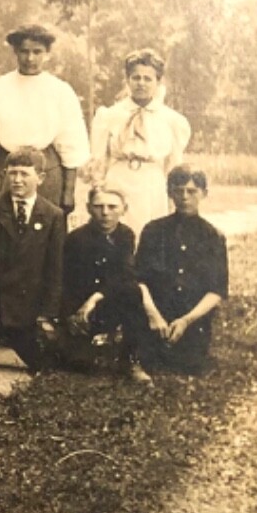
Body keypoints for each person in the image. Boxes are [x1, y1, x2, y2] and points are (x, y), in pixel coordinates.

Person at [0, 146, 67, 372]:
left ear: (41, 177)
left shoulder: (53, 215)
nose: (16, 180)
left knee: (48, 364)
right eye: (12, 173)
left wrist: (47, 314)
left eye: (24, 174)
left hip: (27, 309)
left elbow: (55, 269)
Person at [0, 24, 89, 213]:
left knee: (45, 227)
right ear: (15, 51)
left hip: (45, 168)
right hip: (2, 167)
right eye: (24, 51)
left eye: (37, 52)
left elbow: (72, 143)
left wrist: (68, 192)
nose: (30, 58)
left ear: (47, 52)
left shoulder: (60, 90)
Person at [88, 48, 192, 237]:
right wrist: (98, 187)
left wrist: (173, 196)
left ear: (158, 82)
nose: (141, 83)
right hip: (118, 180)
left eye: (147, 78)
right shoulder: (110, 115)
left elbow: (174, 163)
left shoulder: (172, 120)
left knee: (150, 234)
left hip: (151, 182)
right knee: (116, 234)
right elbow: (99, 158)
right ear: (127, 80)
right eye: (136, 78)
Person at [135, 167, 228, 376]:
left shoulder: (213, 237)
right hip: (156, 317)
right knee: (148, 358)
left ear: (204, 193)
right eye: (178, 191)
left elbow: (217, 291)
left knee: (189, 364)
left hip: (192, 319)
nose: (184, 197)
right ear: (169, 193)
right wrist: (154, 316)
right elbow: (138, 279)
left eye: (192, 191)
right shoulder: (153, 231)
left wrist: (186, 320)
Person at [59, 186, 150, 381]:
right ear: (89, 208)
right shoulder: (76, 239)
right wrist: (70, 316)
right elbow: (66, 282)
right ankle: (93, 345)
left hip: (106, 301)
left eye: (112, 206)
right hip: (80, 308)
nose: (105, 213)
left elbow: (123, 274)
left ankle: (129, 358)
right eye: (99, 206)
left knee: (133, 291)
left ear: (124, 209)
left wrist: (95, 299)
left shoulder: (126, 235)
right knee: (80, 364)